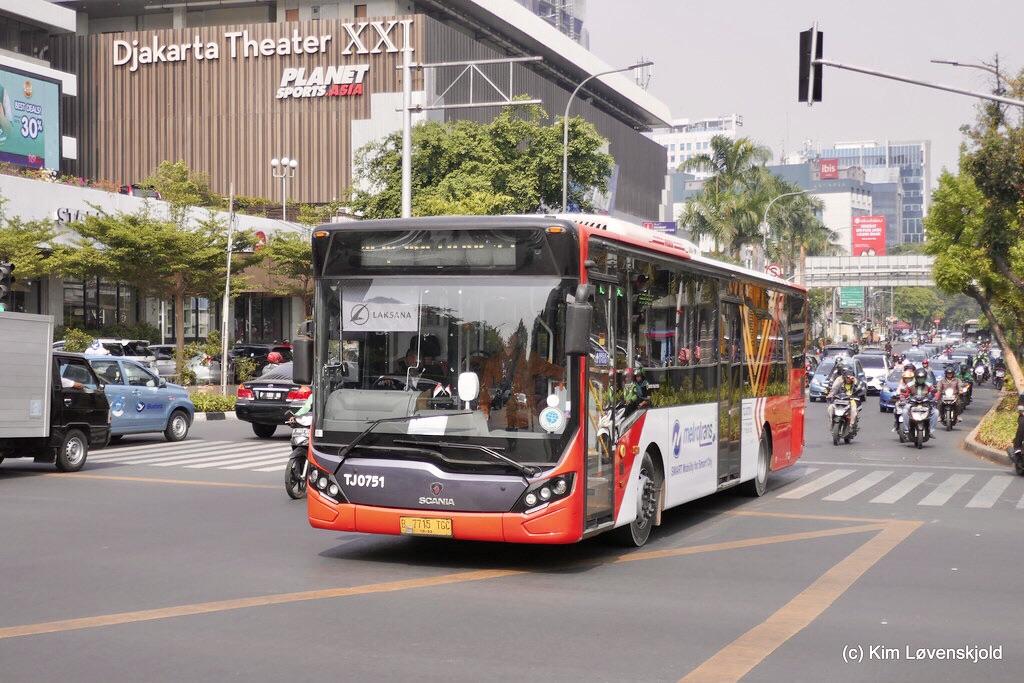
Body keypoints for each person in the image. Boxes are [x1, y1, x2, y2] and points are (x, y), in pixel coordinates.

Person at [900, 367, 938, 435]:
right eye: (919, 378)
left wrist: (934, 398)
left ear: (925, 378)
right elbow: (904, 394)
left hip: (925, 404)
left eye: (922, 378)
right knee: (905, 411)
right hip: (912, 404)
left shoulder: (929, 385)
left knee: (936, 412)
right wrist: (903, 399)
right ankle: (906, 430)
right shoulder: (910, 385)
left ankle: (931, 431)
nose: (921, 380)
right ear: (916, 377)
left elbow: (934, 393)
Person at [828, 366, 865, 432]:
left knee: (853, 410)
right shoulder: (840, 382)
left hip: (851, 401)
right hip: (839, 400)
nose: (848, 379)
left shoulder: (855, 383)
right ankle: (831, 422)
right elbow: (834, 389)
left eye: (850, 378)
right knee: (830, 408)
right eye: (847, 377)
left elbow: (860, 389)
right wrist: (830, 395)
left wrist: (855, 382)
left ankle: (851, 425)